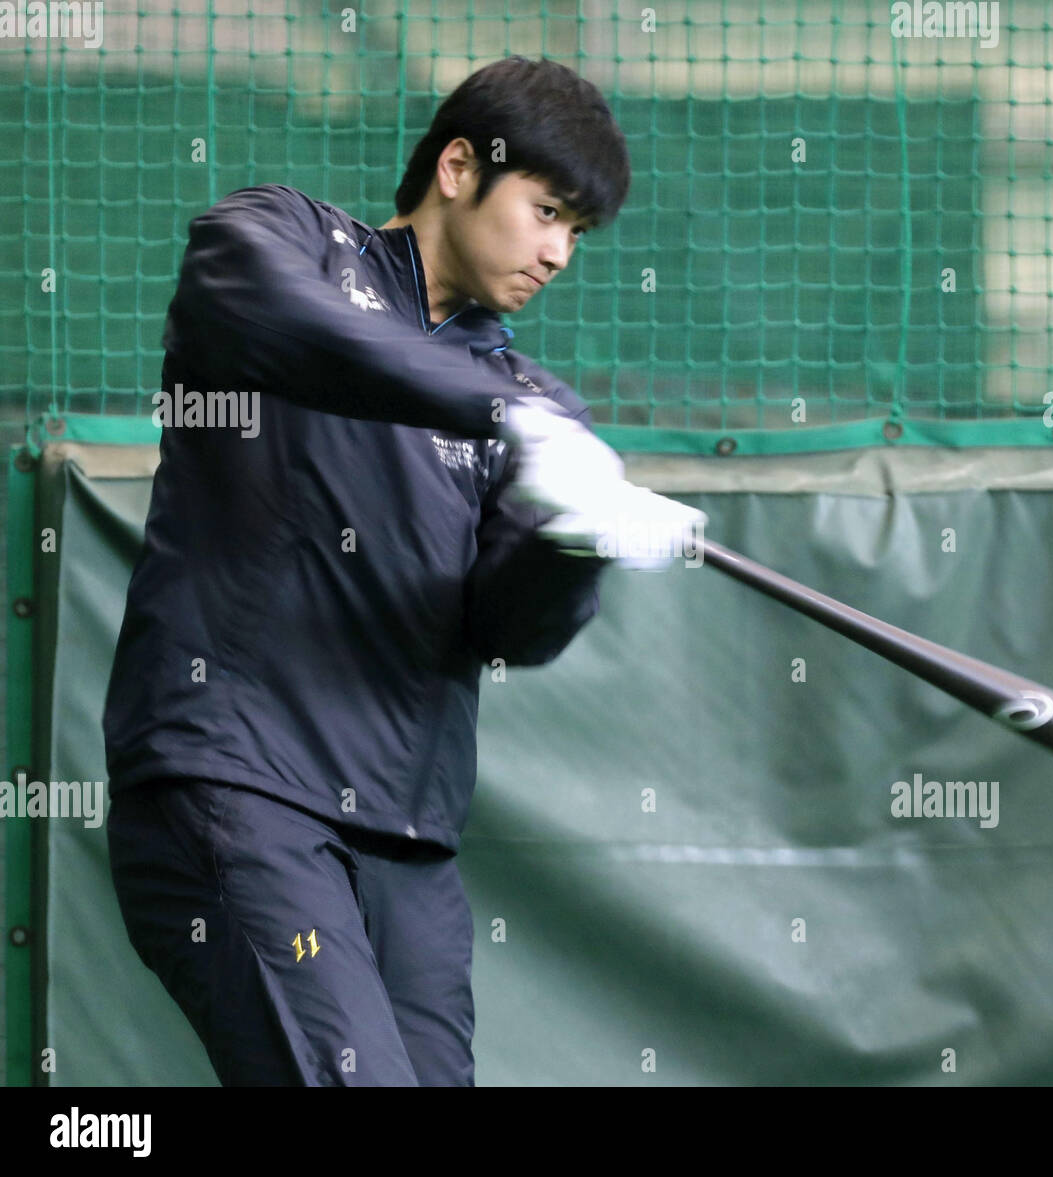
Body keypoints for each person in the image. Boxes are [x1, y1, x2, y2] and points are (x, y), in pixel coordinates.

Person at [102, 55, 703, 1087]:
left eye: (578, 233)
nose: (558, 252)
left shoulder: (532, 402)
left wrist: (576, 540)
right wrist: (503, 415)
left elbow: (508, 627)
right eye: (546, 209)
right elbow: (274, 323)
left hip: (406, 846)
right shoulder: (283, 239)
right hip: (237, 786)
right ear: (460, 166)